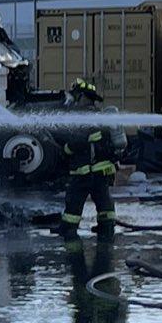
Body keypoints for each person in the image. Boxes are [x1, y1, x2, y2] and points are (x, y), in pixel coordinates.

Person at [58, 80, 119, 237]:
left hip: (86, 172)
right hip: (102, 171)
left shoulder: (84, 117)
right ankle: (107, 228)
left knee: (73, 205)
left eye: (76, 97)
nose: (74, 101)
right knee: (104, 202)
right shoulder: (99, 115)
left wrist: (65, 150)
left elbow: (77, 142)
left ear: (83, 97)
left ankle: (69, 234)